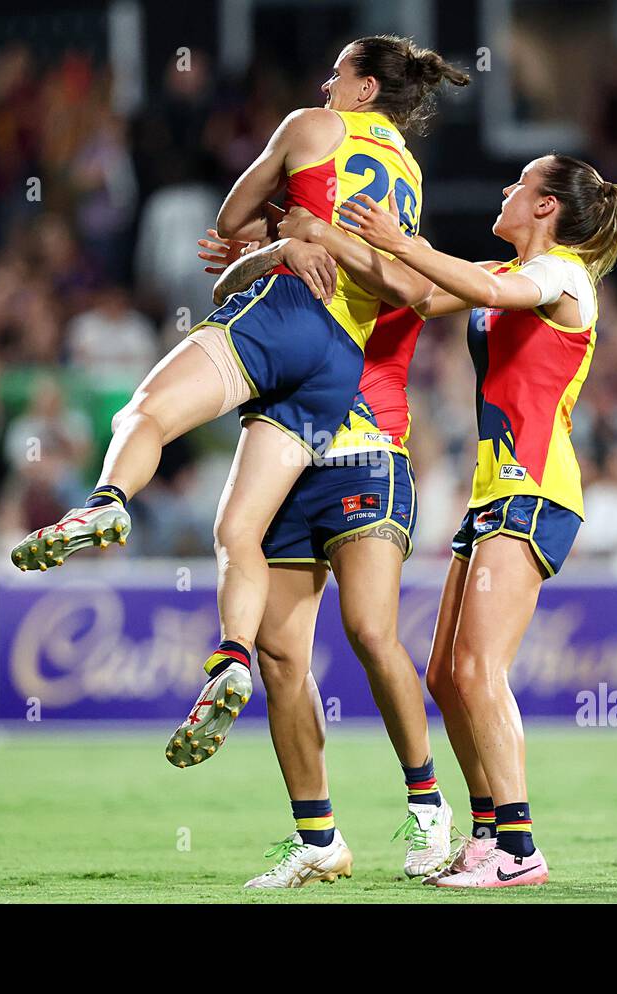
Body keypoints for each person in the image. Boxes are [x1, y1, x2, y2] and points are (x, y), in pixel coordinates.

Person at [8, 36, 468, 779]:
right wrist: (291, 229)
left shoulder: (311, 127)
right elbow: (403, 284)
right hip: (339, 365)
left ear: (363, 89)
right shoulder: (408, 176)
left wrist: (281, 230)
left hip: (286, 316)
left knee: (145, 414)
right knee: (240, 527)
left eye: (338, 72)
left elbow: (228, 217)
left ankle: (107, 500)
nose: (325, 81)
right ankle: (230, 657)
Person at [338, 153, 617, 887]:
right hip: (492, 494)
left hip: (536, 490)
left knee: (478, 669)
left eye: (520, 184)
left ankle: (520, 848)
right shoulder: (502, 276)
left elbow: (455, 280)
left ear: (546, 209)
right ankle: (485, 835)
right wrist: (305, 236)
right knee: (444, 673)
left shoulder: (564, 274)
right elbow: (411, 292)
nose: (504, 190)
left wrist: (406, 242)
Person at [190, 176, 456, 885]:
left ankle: (428, 804)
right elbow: (223, 294)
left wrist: (323, 235)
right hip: (285, 463)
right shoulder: (291, 249)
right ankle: (318, 837)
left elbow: (426, 293)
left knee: (370, 629)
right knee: (281, 660)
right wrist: (278, 243)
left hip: (367, 455)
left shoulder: (401, 257)